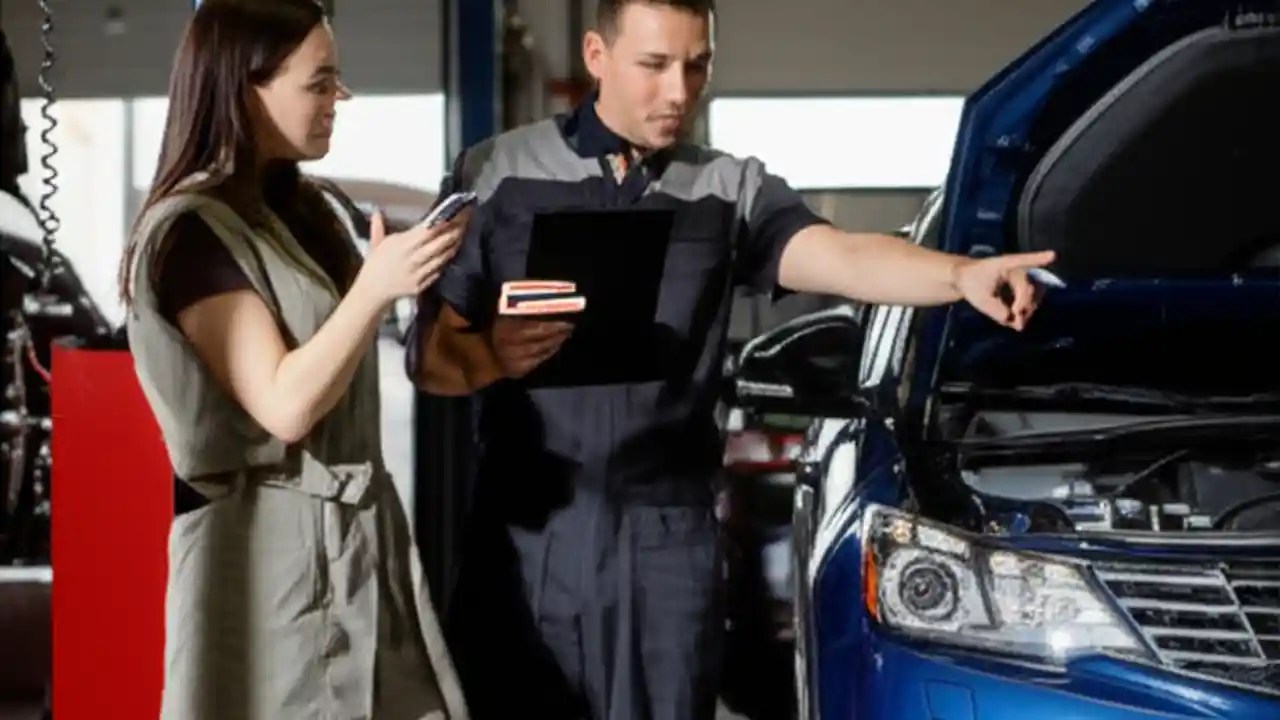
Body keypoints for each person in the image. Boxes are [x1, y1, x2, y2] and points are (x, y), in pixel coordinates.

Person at [409, 1, 1054, 718]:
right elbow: (431, 359)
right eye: (654, 65)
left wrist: (958, 275)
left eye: (697, 66)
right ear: (596, 56)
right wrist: (492, 355)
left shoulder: (728, 189)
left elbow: (843, 256)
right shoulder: (498, 171)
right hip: (528, 533)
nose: (679, 91)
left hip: (665, 542)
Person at [118, 1, 469, 718]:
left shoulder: (302, 212)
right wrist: (375, 288)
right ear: (246, 89)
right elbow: (284, 403)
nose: (339, 98)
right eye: (319, 82)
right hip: (266, 567)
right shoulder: (190, 236)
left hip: (357, 548)